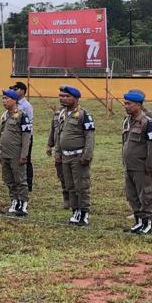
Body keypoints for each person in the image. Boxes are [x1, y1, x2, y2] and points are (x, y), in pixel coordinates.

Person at [53, 86, 95, 227]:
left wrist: (87, 155)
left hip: (78, 155)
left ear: (75, 99)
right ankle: (75, 211)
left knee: (81, 186)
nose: (62, 98)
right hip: (65, 156)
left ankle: (84, 213)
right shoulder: (62, 114)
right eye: (61, 95)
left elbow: (89, 137)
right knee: (70, 186)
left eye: (66, 96)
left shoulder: (84, 115)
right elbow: (59, 135)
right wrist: (57, 152)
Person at [121, 89, 152, 234]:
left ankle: (148, 223)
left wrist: (150, 166)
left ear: (138, 105)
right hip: (129, 165)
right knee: (132, 195)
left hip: (142, 166)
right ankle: (138, 222)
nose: (126, 106)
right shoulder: (127, 121)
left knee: (146, 195)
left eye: (129, 104)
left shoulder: (147, 122)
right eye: (125, 103)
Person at [0, 89, 32, 217]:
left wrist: (24, 155)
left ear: (14, 100)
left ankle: (23, 204)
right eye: (3, 98)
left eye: (6, 98)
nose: (4, 101)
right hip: (5, 152)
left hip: (16, 154)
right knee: (8, 179)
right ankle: (14, 201)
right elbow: (1, 135)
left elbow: (26, 137)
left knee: (20, 179)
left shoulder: (22, 116)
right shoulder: (5, 115)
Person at [10, 82, 35, 191]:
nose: (14, 91)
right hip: (14, 137)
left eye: (16, 89)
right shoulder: (12, 103)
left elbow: (29, 123)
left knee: (26, 160)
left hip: (25, 136)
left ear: (23, 91)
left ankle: (28, 184)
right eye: (13, 89)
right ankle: (17, 181)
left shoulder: (26, 105)